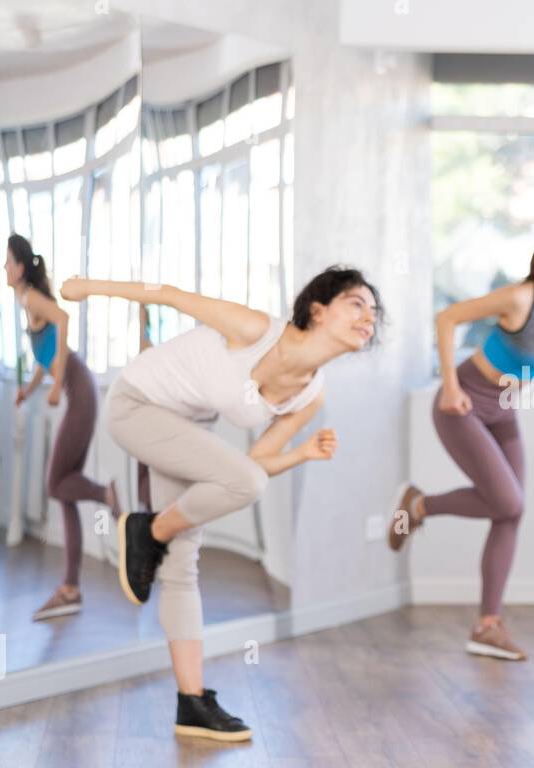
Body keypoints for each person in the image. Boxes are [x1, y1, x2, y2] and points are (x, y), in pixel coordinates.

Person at [61, 266, 381, 741]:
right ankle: (149, 530)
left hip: (188, 429)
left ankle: (191, 703)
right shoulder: (255, 329)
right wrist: (88, 288)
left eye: (374, 312)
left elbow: (251, 466)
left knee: (182, 564)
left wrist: (302, 453)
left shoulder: (311, 395)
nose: (368, 318)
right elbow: (169, 292)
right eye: (357, 304)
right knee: (223, 498)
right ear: (317, 309)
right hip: (137, 404)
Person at [389, 221, 534, 661]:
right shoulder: (522, 298)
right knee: (510, 502)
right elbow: (447, 318)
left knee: (509, 513)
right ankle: (418, 506)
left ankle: (487, 625)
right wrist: (449, 387)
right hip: (462, 404)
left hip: (504, 411)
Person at [6, 234, 120, 622]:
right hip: (76, 390)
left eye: (7, 262)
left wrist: (56, 384)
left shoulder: (30, 298)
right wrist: (32, 387)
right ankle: (70, 587)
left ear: (20, 268)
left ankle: (109, 494)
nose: (4, 269)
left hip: (79, 388)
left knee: (56, 483)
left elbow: (64, 318)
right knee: (64, 488)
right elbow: (44, 354)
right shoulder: (26, 303)